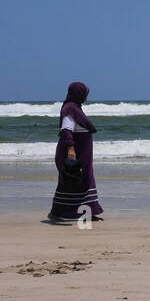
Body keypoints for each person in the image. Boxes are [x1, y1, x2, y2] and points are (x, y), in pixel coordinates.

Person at [47, 82, 103, 222]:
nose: (86, 97)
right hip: (74, 152)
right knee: (69, 183)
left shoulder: (76, 108)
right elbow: (66, 130)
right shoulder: (70, 108)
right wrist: (71, 149)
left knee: (85, 181)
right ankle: (55, 213)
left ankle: (88, 212)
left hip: (83, 154)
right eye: (84, 94)